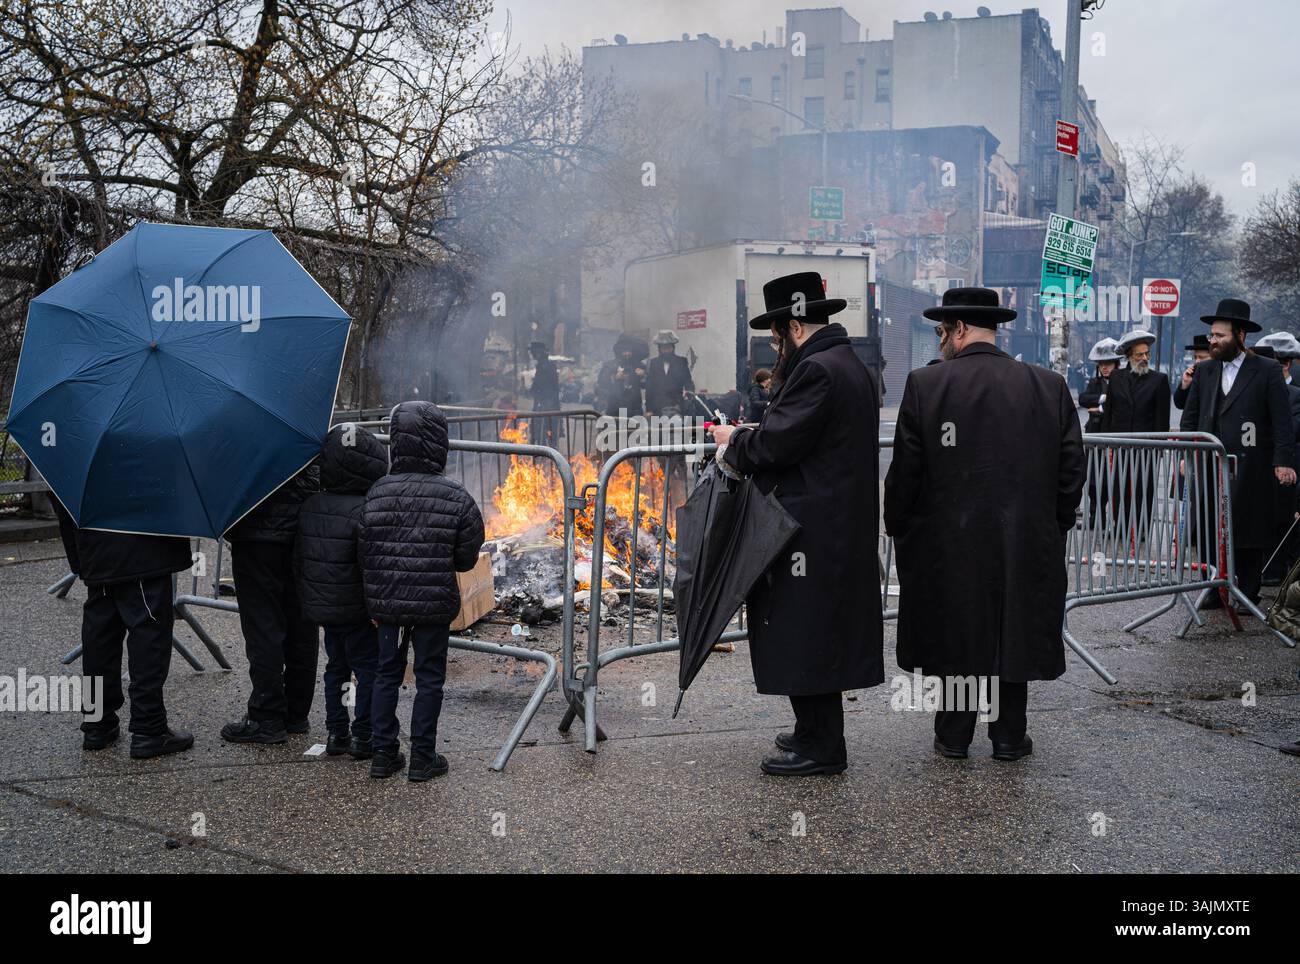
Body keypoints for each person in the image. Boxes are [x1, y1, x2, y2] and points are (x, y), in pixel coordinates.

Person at [884, 287, 1084, 761]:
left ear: (958, 329)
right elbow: (1072, 467)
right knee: (1012, 631)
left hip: (949, 540)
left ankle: (954, 735)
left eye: (941, 332)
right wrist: (1051, 524)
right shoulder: (1047, 386)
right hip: (1024, 537)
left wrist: (900, 526)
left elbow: (906, 474)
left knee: (958, 632)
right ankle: (1009, 735)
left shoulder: (926, 386)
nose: (940, 341)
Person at [708, 271, 883, 776]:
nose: (774, 344)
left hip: (810, 527)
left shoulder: (818, 371)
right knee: (811, 631)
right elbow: (802, 435)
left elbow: (775, 447)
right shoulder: (844, 363)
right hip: (827, 523)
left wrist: (732, 440)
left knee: (806, 633)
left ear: (794, 326)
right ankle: (811, 731)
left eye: (776, 334)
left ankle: (823, 746)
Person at [361, 401, 485, 781]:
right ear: (439, 443)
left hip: (387, 606)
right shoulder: (456, 497)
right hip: (432, 604)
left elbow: (364, 547)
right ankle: (422, 758)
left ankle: (382, 754)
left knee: (386, 674)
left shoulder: (377, 492)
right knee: (429, 677)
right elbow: (467, 557)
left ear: (395, 442)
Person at [1179, 299, 1296, 606]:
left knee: (1247, 528)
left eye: (1220, 335)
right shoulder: (1205, 371)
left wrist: (1282, 462)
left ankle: (1247, 592)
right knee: (1208, 524)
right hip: (1209, 464)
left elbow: (1282, 422)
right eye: (1211, 336)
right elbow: (1190, 418)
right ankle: (1215, 588)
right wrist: (1184, 453)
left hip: (1252, 465)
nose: (1213, 341)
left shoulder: (1267, 370)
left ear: (1240, 336)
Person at [55, 504, 195, 758]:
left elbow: (60, 498)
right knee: (148, 634)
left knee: (100, 634)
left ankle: (97, 722)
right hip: (143, 545)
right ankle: (149, 727)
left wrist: (79, 559)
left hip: (95, 546)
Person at [294, 423, 388, 758]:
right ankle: (364, 736)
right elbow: (370, 566)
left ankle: (337, 734)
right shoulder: (366, 511)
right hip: (358, 612)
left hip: (326, 610)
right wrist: (378, 608)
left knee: (336, 667)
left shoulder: (310, 506)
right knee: (367, 671)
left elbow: (301, 560)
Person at [221, 462, 321, 744]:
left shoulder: (237, 433)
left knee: (263, 627)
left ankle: (267, 717)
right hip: (301, 531)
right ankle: (296, 713)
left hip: (255, 534)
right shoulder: (302, 425)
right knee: (302, 624)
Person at [1099, 328, 1171, 433]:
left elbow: (1162, 422)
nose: (1145, 358)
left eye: (1147, 354)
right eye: (1139, 355)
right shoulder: (1115, 377)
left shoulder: (1159, 380)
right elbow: (1108, 414)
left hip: (1146, 445)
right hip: (1119, 444)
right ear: (1129, 356)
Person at [643, 330, 694, 415]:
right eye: (664, 348)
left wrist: (689, 395)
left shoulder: (681, 362)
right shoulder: (652, 363)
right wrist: (649, 409)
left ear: (673, 347)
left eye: (668, 347)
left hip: (677, 406)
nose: (666, 350)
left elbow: (688, 382)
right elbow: (649, 388)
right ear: (659, 349)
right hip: (656, 408)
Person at [1079, 337, 1122, 433]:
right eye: (1101, 364)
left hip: (1114, 432)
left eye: (1108, 364)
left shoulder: (1123, 383)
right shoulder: (1095, 382)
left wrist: (1100, 409)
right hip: (1095, 431)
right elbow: (1083, 399)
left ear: (1116, 364)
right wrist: (1103, 397)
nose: (1104, 368)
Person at [596, 338, 646, 418]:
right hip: (615, 406)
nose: (627, 354)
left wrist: (643, 375)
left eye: (629, 351)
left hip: (634, 407)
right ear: (619, 352)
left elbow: (646, 385)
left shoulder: (639, 366)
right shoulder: (609, 365)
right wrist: (615, 378)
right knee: (616, 429)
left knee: (633, 429)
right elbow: (602, 384)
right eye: (624, 351)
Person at [1173, 334, 1213, 410]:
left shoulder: (1221, 376)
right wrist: (1185, 385)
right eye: (1195, 357)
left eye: (1202, 357)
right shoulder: (1192, 375)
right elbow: (1179, 404)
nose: (1197, 361)